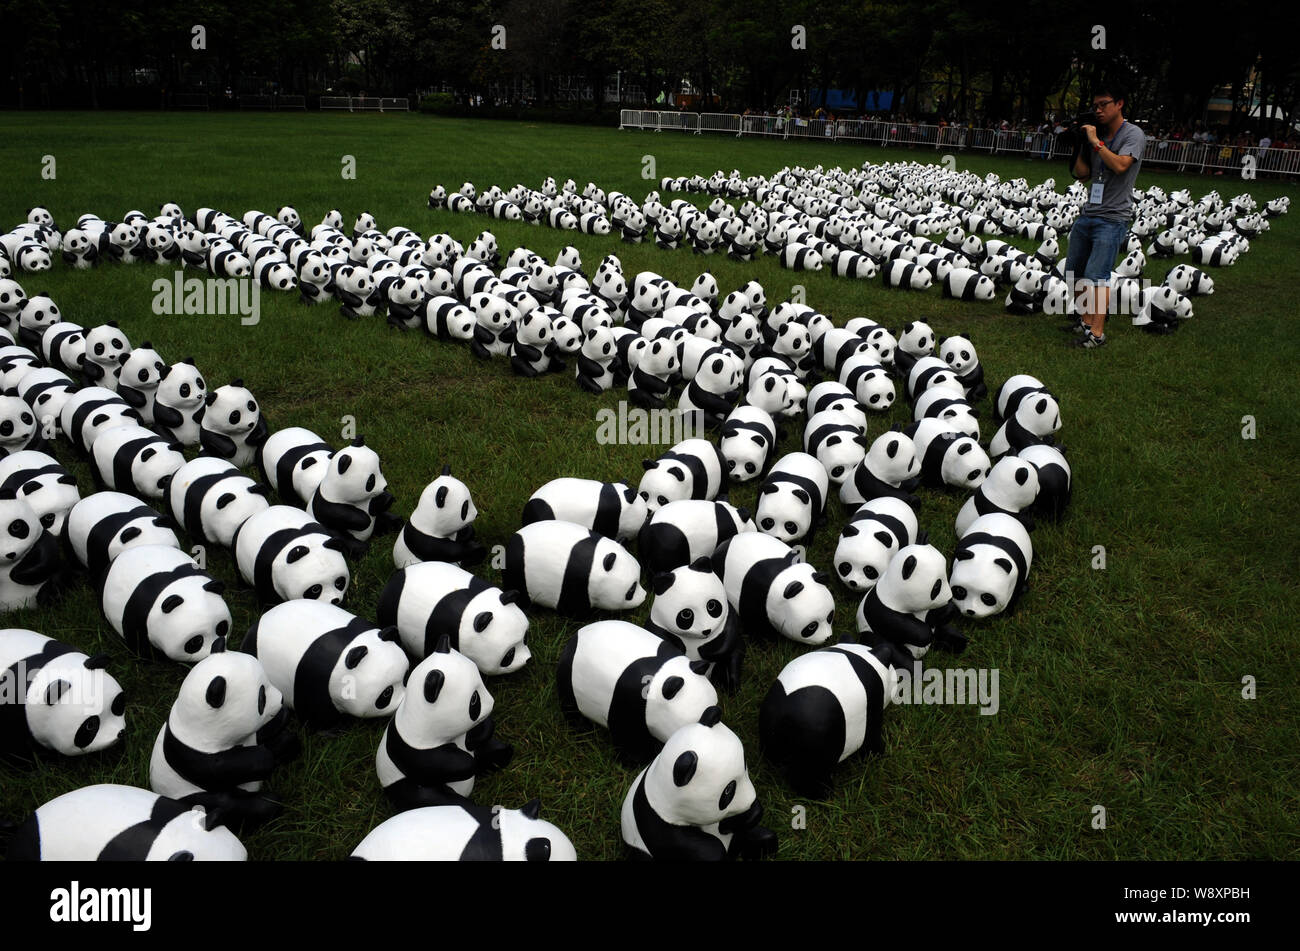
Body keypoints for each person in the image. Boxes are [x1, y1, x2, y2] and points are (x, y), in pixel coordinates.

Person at [1063, 85, 1146, 348]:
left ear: (1119, 104)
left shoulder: (1133, 134)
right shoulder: (1094, 135)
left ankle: (1096, 334)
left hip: (1113, 217)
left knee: (1097, 274)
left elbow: (1121, 165)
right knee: (1074, 271)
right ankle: (1086, 320)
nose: (1098, 110)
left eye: (1103, 105)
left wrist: (1095, 142)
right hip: (1089, 213)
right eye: (1095, 106)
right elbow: (1083, 174)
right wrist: (1079, 143)